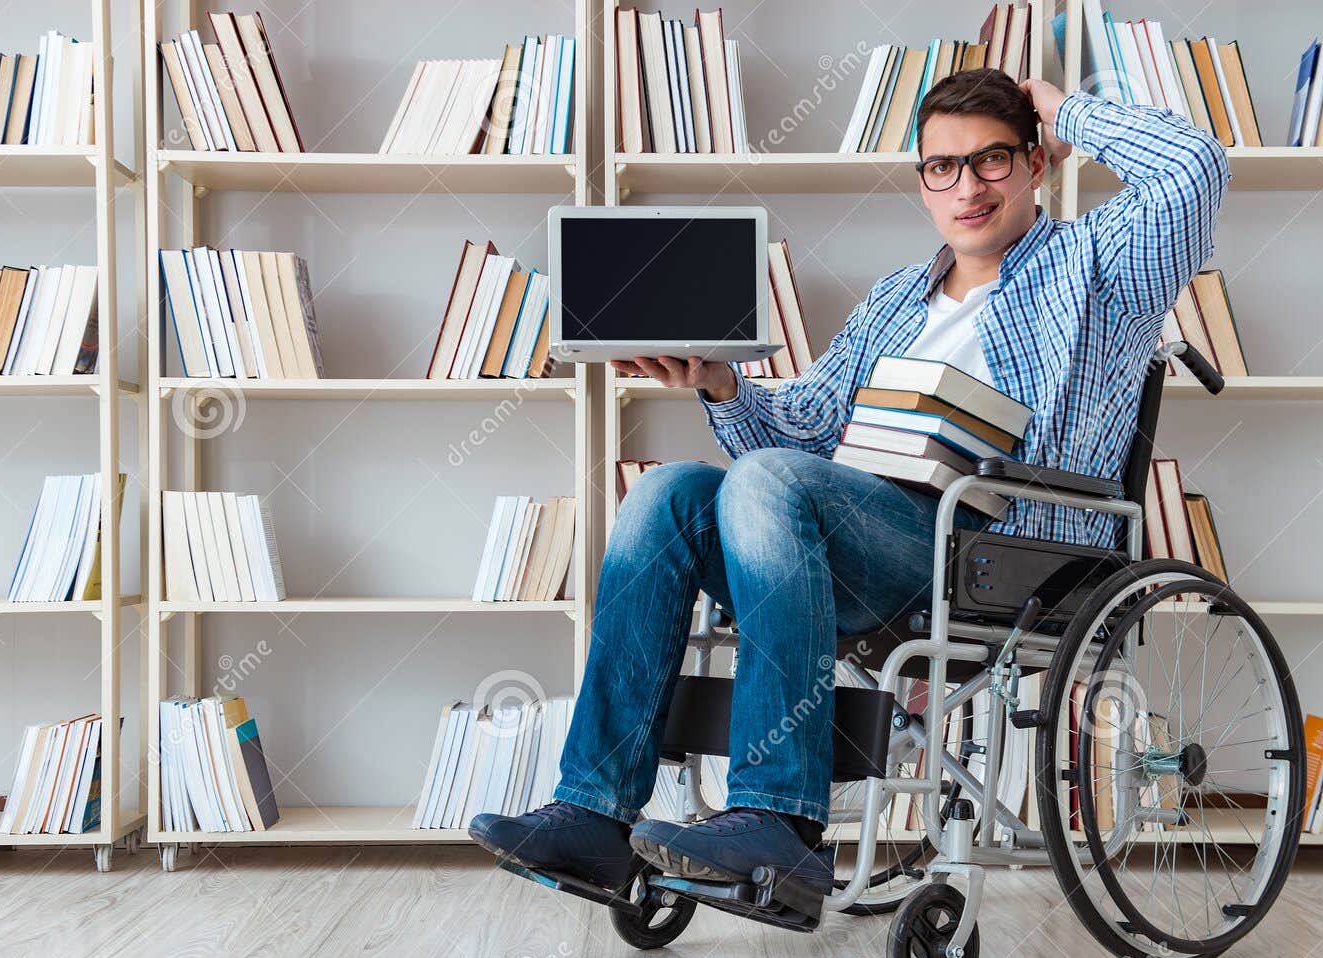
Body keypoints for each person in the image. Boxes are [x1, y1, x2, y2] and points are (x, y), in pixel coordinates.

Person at [469, 68, 1229, 897]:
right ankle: (592, 815)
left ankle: (778, 818)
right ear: (922, 183)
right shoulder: (897, 298)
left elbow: (1193, 165)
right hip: (855, 536)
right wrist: (723, 387)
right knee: (667, 494)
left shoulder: (1102, 267)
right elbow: (805, 426)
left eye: (993, 160)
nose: (968, 187)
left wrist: (1060, 106)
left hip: (1003, 550)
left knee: (766, 482)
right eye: (943, 167)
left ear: (1037, 162)